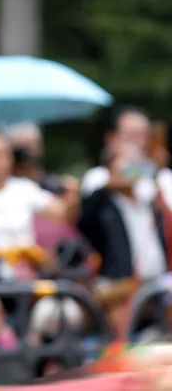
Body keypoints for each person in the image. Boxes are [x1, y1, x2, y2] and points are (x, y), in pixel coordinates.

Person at [0, 133, 78, 282]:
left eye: (7, 153)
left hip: (27, 276)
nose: (5, 160)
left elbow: (64, 214)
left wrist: (73, 195)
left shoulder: (24, 188)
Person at [79, 139, 170, 337]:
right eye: (127, 160)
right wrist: (112, 183)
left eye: (137, 160)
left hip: (158, 285)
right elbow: (84, 215)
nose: (133, 166)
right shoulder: (102, 203)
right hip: (120, 288)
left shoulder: (152, 200)